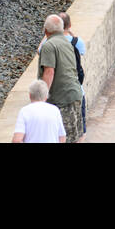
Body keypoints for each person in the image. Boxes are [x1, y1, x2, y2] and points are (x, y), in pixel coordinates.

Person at [37, 14, 83, 142]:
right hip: (74, 94)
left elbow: (49, 72)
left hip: (61, 100)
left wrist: (41, 98)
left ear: (45, 30)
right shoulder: (67, 42)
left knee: (62, 137)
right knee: (75, 136)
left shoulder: (48, 46)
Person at [60, 12, 87, 133]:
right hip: (76, 88)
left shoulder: (49, 43)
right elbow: (81, 52)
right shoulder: (77, 42)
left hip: (57, 92)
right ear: (70, 24)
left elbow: (39, 51)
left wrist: (46, 36)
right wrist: (73, 35)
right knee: (80, 124)